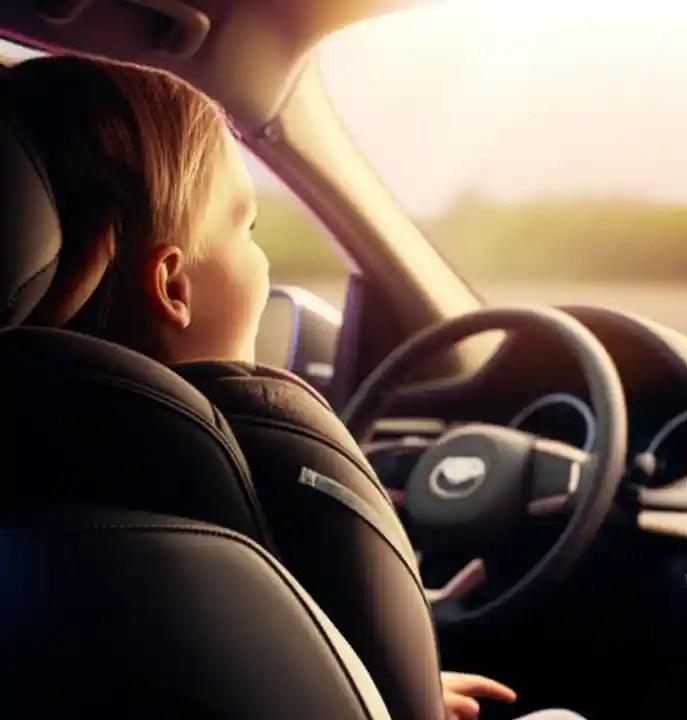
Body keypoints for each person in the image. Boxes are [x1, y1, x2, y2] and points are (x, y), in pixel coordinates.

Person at [1, 54, 583, 720]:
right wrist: (396, 690)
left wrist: (352, 678)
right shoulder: (271, 480)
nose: (262, 259)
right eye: (246, 230)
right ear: (173, 286)